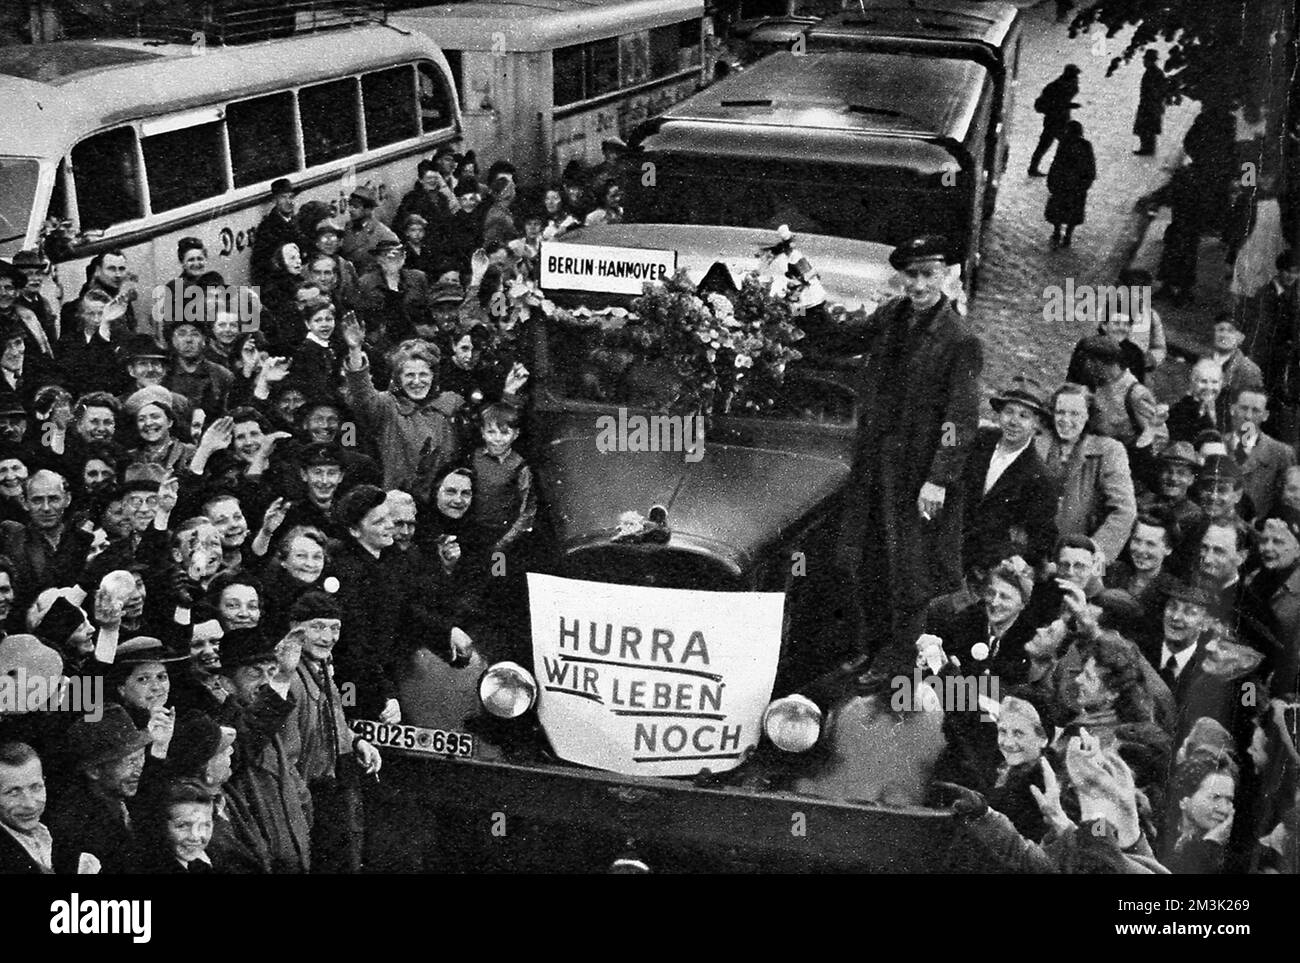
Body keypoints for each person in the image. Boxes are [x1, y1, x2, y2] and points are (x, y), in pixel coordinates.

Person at [805, 235, 982, 671]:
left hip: (918, 474)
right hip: (877, 466)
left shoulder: (959, 339)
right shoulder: (892, 315)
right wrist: (809, 293)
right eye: (911, 276)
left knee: (910, 572)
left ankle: (900, 664)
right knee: (865, 560)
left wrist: (938, 479)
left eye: (927, 275)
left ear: (945, 276)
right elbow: (839, 340)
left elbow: (960, 418)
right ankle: (870, 651)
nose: (918, 285)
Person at [1038, 383, 1136, 565]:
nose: (1066, 420)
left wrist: (1092, 556)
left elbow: (1124, 510)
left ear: (1088, 415)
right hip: (1035, 555)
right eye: (1060, 412)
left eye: (1075, 414)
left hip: (1080, 558)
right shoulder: (1038, 445)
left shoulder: (1109, 450)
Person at [1225, 385, 1294, 518]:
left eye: (1256, 410)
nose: (1248, 416)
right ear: (1232, 409)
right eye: (1243, 408)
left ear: (1265, 416)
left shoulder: (1281, 453)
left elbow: (1288, 503)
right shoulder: (1217, 444)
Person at [1163, 753, 1237, 872]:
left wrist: (1212, 843)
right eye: (1215, 797)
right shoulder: (1159, 837)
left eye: (1229, 800)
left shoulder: (1231, 854)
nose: (1224, 810)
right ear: (1183, 800)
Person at [1045, 121, 1096, 249]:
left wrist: (1052, 180)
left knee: (1059, 209)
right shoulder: (1085, 145)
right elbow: (1090, 166)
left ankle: (1057, 232)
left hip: (1063, 183)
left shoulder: (1065, 144)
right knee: (1073, 212)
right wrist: (1086, 182)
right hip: (1077, 186)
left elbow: (1057, 163)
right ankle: (1067, 236)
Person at [1028, 64, 1081, 176]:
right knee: (1061, 145)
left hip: (1057, 120)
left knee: (1046, 145)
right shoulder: (1059, 86)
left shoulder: (1060, 85)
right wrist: (1069, 105)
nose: (1077, 78)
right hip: (1056, 121)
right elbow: (1057, 103)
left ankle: (1033, 168)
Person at [340, 187, 398, 277]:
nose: (350, 210)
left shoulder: (384, 235)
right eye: (350, 205)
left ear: (368, 210)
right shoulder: (348, 227)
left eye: (355, 206)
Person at [251, 178, 299, 285]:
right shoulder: (268, 228)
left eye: (291, 197)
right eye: (283, 197)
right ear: (274, 200)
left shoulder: (296, 220)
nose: (289, 202)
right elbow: (264, 263)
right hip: (282, 281)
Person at [1133, 50, 1167, 156]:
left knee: (1147, 128)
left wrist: (1152, 103)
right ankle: (1146, 148)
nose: (1144, 62)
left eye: (1146, 60)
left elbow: (1158, 91)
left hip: (1150, 105)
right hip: (1149, 104)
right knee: (1146, 128)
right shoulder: (1152, 72)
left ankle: (1148, 149)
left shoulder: (1155, 73)